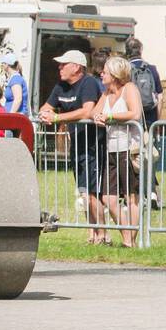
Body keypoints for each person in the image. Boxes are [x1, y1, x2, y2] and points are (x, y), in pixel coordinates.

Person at [39, 49, 106, 245]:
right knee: (84, 191)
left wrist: (57, 117)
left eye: (63, 64)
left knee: (92, 193)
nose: (59, 67)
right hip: (76, 144)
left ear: (76, 67)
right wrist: (45, 114)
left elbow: (87, 111)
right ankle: (91, 234)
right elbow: (46, 107)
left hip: (93, 144)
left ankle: (103, 235)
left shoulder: (89, 83)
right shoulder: (61, 86)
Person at [93, 57, 143, 247]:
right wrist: (98, 117)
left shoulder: (129, 88)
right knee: (108, 198)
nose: (101, 74)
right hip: (111, 149)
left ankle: (129, 241)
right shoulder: (106, 93)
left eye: (105, 71)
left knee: (132, 197)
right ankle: (127, 237)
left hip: (129, 149)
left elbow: (135, 113)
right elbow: (95, 112)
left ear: (114, 75)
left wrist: (110, 116)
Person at [125, 36, 164, 209]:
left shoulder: (125, 69)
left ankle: (137, 196)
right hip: (150, 120)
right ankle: (153, 193)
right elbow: (160, 97)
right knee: (150, 156)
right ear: (141, 50)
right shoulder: (152, 69)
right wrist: (158, 119)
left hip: (132, 120)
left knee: (134, 158)